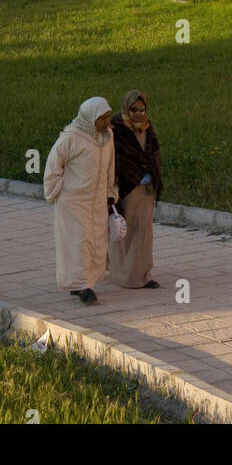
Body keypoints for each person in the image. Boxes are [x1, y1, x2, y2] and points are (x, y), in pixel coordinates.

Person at [43, 96, 117, 305]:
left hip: (97, 201)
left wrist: (110, 192)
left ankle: (81, 282)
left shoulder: (107, 137)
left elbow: (110, 166)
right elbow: (53, 165)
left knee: (95, 242)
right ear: (90, 118)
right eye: (102, 118)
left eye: (108, 116)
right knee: (79, 244)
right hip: (74, 202)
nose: (106, 121)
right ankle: (84, 287)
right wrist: (56, 191)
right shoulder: (71, 137)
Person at [108, 90, 163, 289]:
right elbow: (113, 159)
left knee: (144, 232)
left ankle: (143, 275)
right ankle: (122, 274)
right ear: (126, 108)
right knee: (124, 232)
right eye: (134, 109)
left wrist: (153, 174)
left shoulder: (148, 127)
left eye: (142, 109)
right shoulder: (117, 128)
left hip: (146, 187)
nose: (138, 113)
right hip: (126, 188)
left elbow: (154, 152)